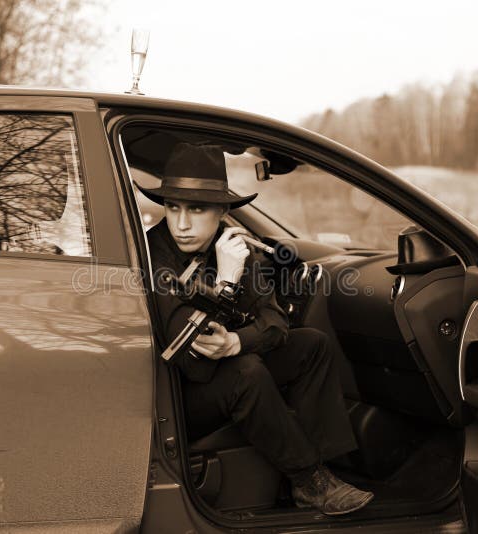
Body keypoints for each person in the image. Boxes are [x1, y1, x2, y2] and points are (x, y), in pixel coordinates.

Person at [136, 142, 373, 516]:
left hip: (223, 368)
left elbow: (275, 320)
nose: (181, 223)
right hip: (175, 395)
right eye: (172, 207)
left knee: (311, 345)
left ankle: (329, 468)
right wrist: (227, 285)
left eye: (196, 209)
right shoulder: (152, 256)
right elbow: (193, 357)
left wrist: (236, 341)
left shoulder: (233, 246)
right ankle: (308, 481)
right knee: (246, 373)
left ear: (222, 211)